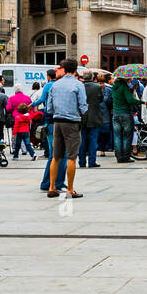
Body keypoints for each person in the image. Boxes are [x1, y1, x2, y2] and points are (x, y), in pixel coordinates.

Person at [46, 58, 89, 198]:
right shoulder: (78, 85)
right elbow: (83, 106)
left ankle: (52, 187)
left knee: (56, 156)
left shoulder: (55, 85)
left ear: (64, 69)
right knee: (71, 157)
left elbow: (49, 108)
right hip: (72, 123)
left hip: (57, 122)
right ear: (76, 70)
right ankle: (70, 189)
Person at [110, 74, 141, 163]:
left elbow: (121, 96)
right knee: (127, 136)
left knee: (117, 136)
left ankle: (119, 157)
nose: (131, 79)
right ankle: (126, 157)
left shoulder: (114, 86)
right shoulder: (124, 86)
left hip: (116, 114)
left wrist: (132, 89)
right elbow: (129, 100)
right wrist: (142, 102)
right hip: (126, 113)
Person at [78, 71, 104, 168]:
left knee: (82, 140)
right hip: (94, 116)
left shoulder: (79, 86)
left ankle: (81, 161)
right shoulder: (97, 87)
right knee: (93, 140)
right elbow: (101, 99)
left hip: (82, 116)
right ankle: (92, 161)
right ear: (92, 77)